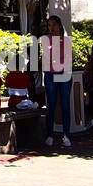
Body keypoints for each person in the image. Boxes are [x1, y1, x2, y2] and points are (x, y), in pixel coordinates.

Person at [40, 14, 73, 149]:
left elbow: (68, 58)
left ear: (59, 26)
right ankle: (50, 135)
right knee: (51, 105)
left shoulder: (66, 41)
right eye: (49, 25)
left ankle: (66, 134)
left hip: (64, 73)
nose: (51, 27)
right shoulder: (45, 40)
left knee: (65, 104)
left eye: (54, 25)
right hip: (50, 74)